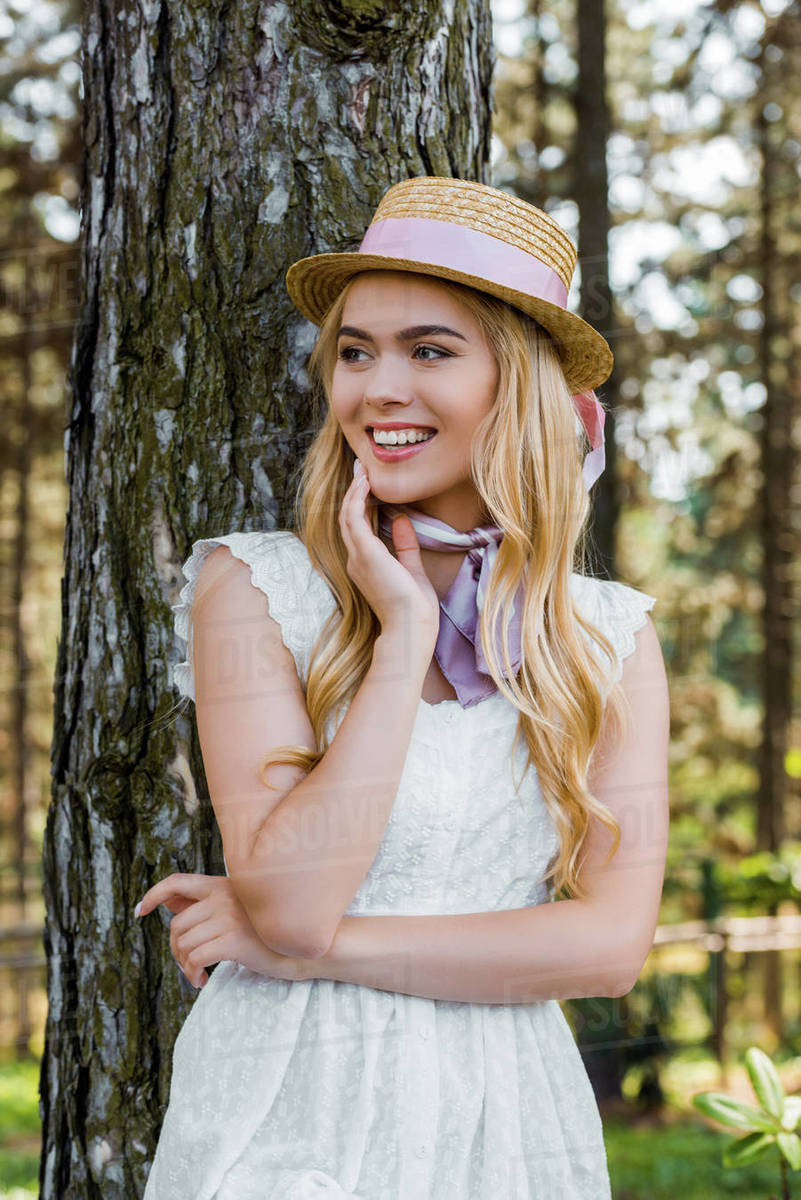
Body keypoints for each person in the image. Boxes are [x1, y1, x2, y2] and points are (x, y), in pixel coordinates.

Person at [138, 176, 670, 1199]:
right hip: (289, 1096)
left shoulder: (609, 639)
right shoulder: (254, 589)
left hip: (509, 1117)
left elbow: (607, 946)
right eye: (354, 350)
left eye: (429, 350)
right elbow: (290, 902)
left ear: (516, 384)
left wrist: (315, 951)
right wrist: (403, 639)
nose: (377, 389)